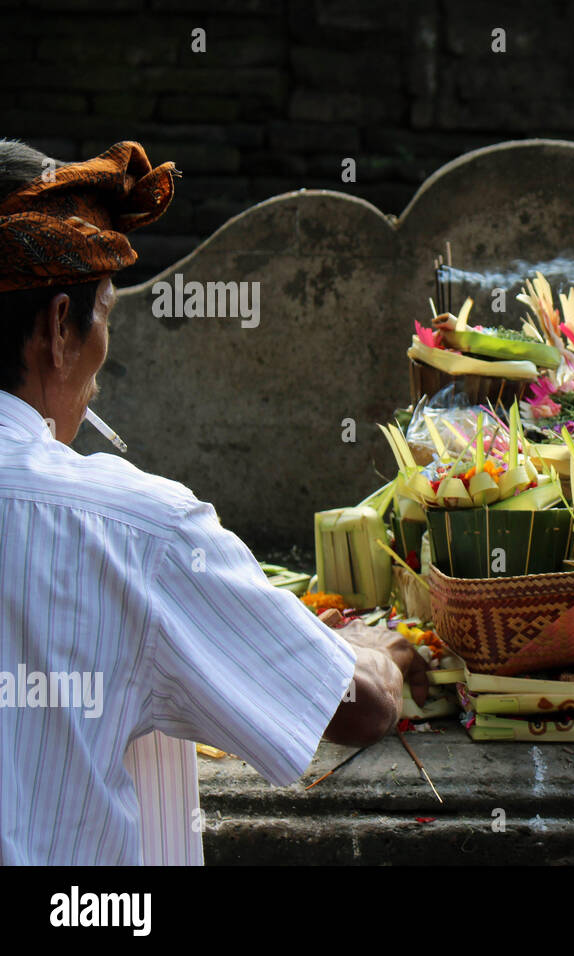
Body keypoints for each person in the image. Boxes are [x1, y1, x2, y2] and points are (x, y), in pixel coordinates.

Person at [0, 139, 427, 865]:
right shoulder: (135, 530)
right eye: (104, 316)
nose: (100, 367)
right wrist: (371, 648)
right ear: (57, 330)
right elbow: (357, 705)